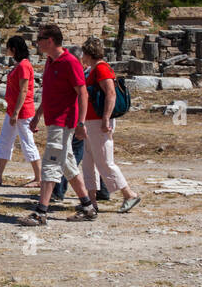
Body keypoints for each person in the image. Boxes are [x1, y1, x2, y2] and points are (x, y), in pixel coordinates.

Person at [18, 24, 97, 225]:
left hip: (64, 122)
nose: (37, 43)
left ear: (50, 40)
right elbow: (50, 94)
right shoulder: (50, 62)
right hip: (53, 121)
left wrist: (81, 122)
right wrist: (37, 116)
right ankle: (88, 207)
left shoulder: (70, 62)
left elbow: (82, 93)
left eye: (40, 39)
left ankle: (41, 212)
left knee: (51, 163)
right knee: (68, 163)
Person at [79, 36, 142, 213]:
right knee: (88, 162)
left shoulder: (101, 69)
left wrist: (106, 118)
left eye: (83, 53)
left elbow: (111, 93)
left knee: (105, 162)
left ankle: (129, 194)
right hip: (91, 121)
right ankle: (91, 200)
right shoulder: (93, 69)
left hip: (99, 121)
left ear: (88, 53)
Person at [0, 36, 41, 187]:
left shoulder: (23, 66)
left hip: (22, 112)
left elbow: (23, 90)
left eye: (8, 47)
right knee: (5, 140)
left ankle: (39, 177)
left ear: (13, 49)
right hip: (13, 110)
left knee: (27, 142)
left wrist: (16, 112)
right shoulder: (19, 65)